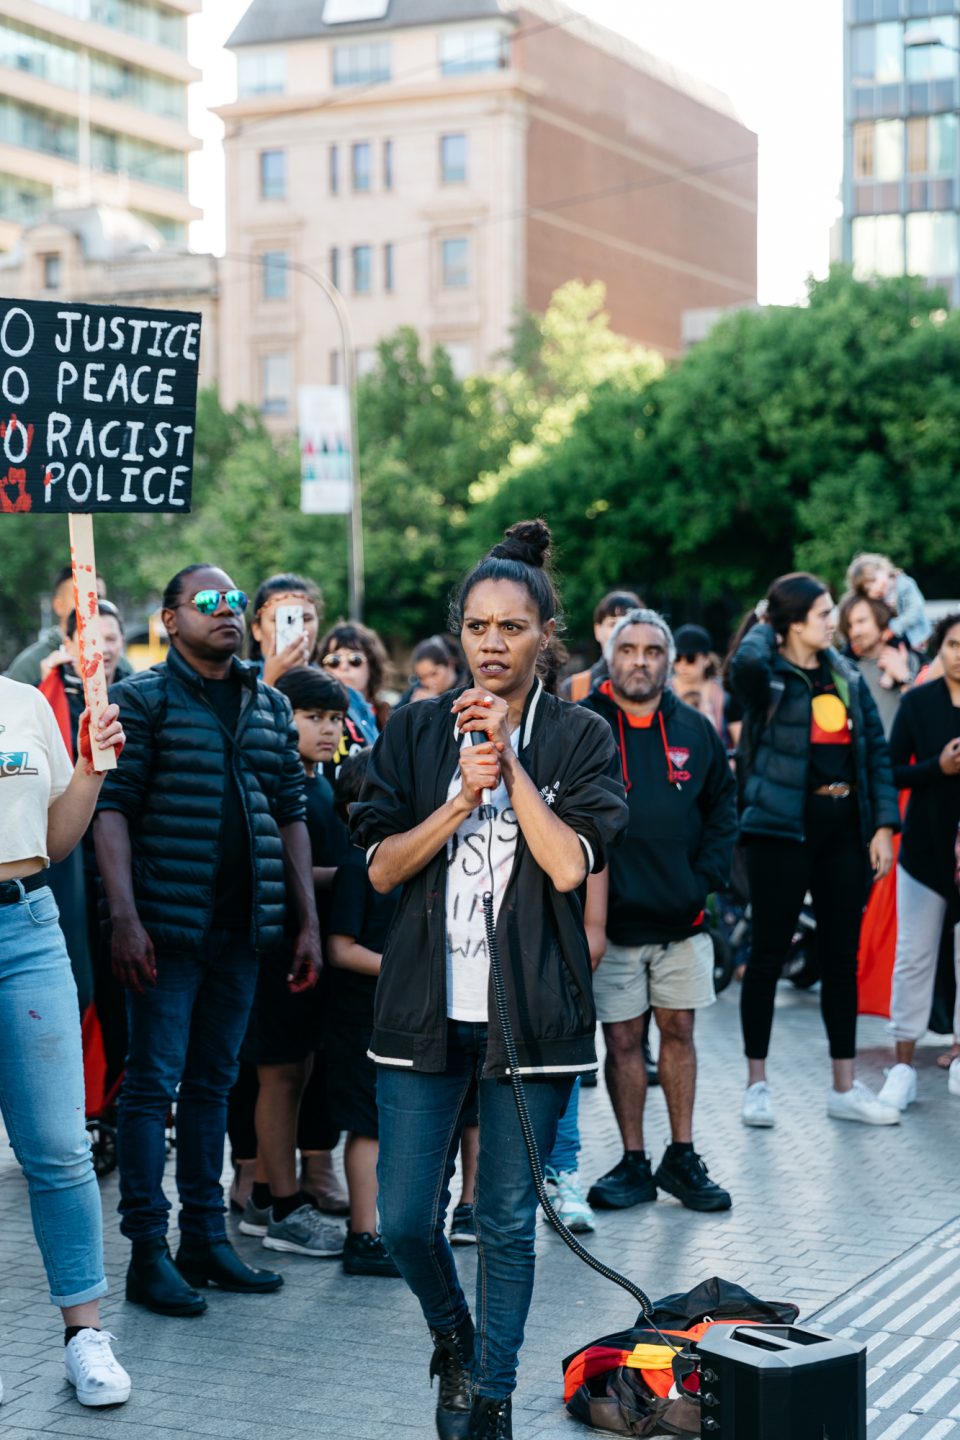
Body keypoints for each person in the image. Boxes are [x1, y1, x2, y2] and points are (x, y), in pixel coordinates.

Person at [350, 519, 627, 1440]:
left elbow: (563, 866)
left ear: (546, 635)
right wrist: (459, 800)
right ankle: (456, 1340)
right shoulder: (418, 728)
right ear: (460, 634)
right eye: (477, 627)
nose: (493, 644)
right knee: (400, 1219)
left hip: (533, 1021)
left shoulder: (582, 736)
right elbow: (384, 869)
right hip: (425, 1011)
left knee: (506, 1221)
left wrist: (509, 767)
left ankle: (493, 1395)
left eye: (513, 627)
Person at [94, 564, 322, 1317]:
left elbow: (290, 811)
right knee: (153, 1087)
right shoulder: (142, 698)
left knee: (214, 1086)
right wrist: (124, 918)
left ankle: (205, 1240)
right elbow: (113, 809)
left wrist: (306, 923)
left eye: (236, 602)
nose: (228, 612)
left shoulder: (267, 704)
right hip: (165, 931)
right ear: (168, 620)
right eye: (210, 601)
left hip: (241, 934)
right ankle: (147, 1254)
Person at [0, 671, 130, 1406]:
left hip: (26, 929)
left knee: (59, 1146)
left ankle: (85, 1337)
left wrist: (87, 770)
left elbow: (53, 839)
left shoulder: (22, 705)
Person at [730, 572, 901, 1128]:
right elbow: (743, 667)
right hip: (781, 831)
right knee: (767, 955)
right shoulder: (768, 676)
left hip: (841, 833)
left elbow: (875, 753)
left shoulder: (846, 675)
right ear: (795, 623)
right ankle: (757, 1084)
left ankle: (844, 1088)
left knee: (840, 961)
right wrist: (765, 619)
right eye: (824, 613)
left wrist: (881, 827)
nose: (835, 621)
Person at [583, 608, 737, 1213]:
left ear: (668, 661)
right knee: (621, 1044)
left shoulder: (696, 729)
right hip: (612, 926)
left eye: (652, 650)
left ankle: (681, 1155)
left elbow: (724, 808)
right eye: (629, 650)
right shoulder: (585, 724)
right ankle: (633, 1160)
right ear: (611, 658)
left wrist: (704, 880)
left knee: (679, 1034)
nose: (640, 660)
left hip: (682, 923)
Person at [236, 667, 350, 1259]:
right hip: (280, 946)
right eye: (314, 717)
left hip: (311, 948)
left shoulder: (322, 782)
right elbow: (280, 870)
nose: (327, 729)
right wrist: (359, 876)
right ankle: (283, 1208)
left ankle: (261, 1197)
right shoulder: (280, 787)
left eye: (334, 718)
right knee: (278, 1076)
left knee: (299, 1073)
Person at [877, 613, 960, 1111]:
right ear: (938, 648)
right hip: (924, 855)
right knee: (913, 957)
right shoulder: (917, 702)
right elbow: (891, 770)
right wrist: (940, 767)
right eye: (953, 644)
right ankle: (903, 1063)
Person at [325, 750, 402, 1276]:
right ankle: (362, 1236)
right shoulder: (358, 866)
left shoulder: (401, 860)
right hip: (359, 1018)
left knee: (388, 1127)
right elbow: (341, 949)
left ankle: (382, 1230)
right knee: (368, 1127)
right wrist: (405, 968)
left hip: (395, 1015)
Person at [6, 566, 132, 686]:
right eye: (81, 597)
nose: (91, 605)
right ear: (58, 605)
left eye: (97, 597)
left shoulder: (119, 665)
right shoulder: (30, 666)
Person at [836, 593, 917, 737]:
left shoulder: (912, 661)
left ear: (880, 619)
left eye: (861, 621)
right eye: (849, 625)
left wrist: (905, 678)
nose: (855, 632)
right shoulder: (846, 670)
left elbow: (927, 718)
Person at [560, 589, 642, 702]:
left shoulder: (656, 688)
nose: (620, 631)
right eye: (613, 624)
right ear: (598, 630)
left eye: (627, 624)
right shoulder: (574, 688)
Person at [846, 552, 932, 655]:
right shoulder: (880, 598)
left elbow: (914, 611)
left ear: (882, 568)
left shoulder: (904, 585)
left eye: (874, 580)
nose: (875, 588)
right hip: (899, 636)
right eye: (868, 589)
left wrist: (892, 628)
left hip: (917, 636)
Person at [248, 573, 324, 689]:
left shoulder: (338, 688)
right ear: (257, 629)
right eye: (281, 619)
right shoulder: (234, 681)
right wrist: (270, 683)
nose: (297, 628)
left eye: (306, 619)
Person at [319, 620, 392, 740]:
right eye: (334, 660)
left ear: (372, 666)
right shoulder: (313, 716)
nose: (344, 667)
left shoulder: (389, 717)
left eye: (355, 659)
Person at [670, 624, 728, 737]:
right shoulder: (660, 691)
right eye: (677, 657)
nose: (683, 665)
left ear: (706, 659)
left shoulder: (724, 693)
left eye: (690, 658)